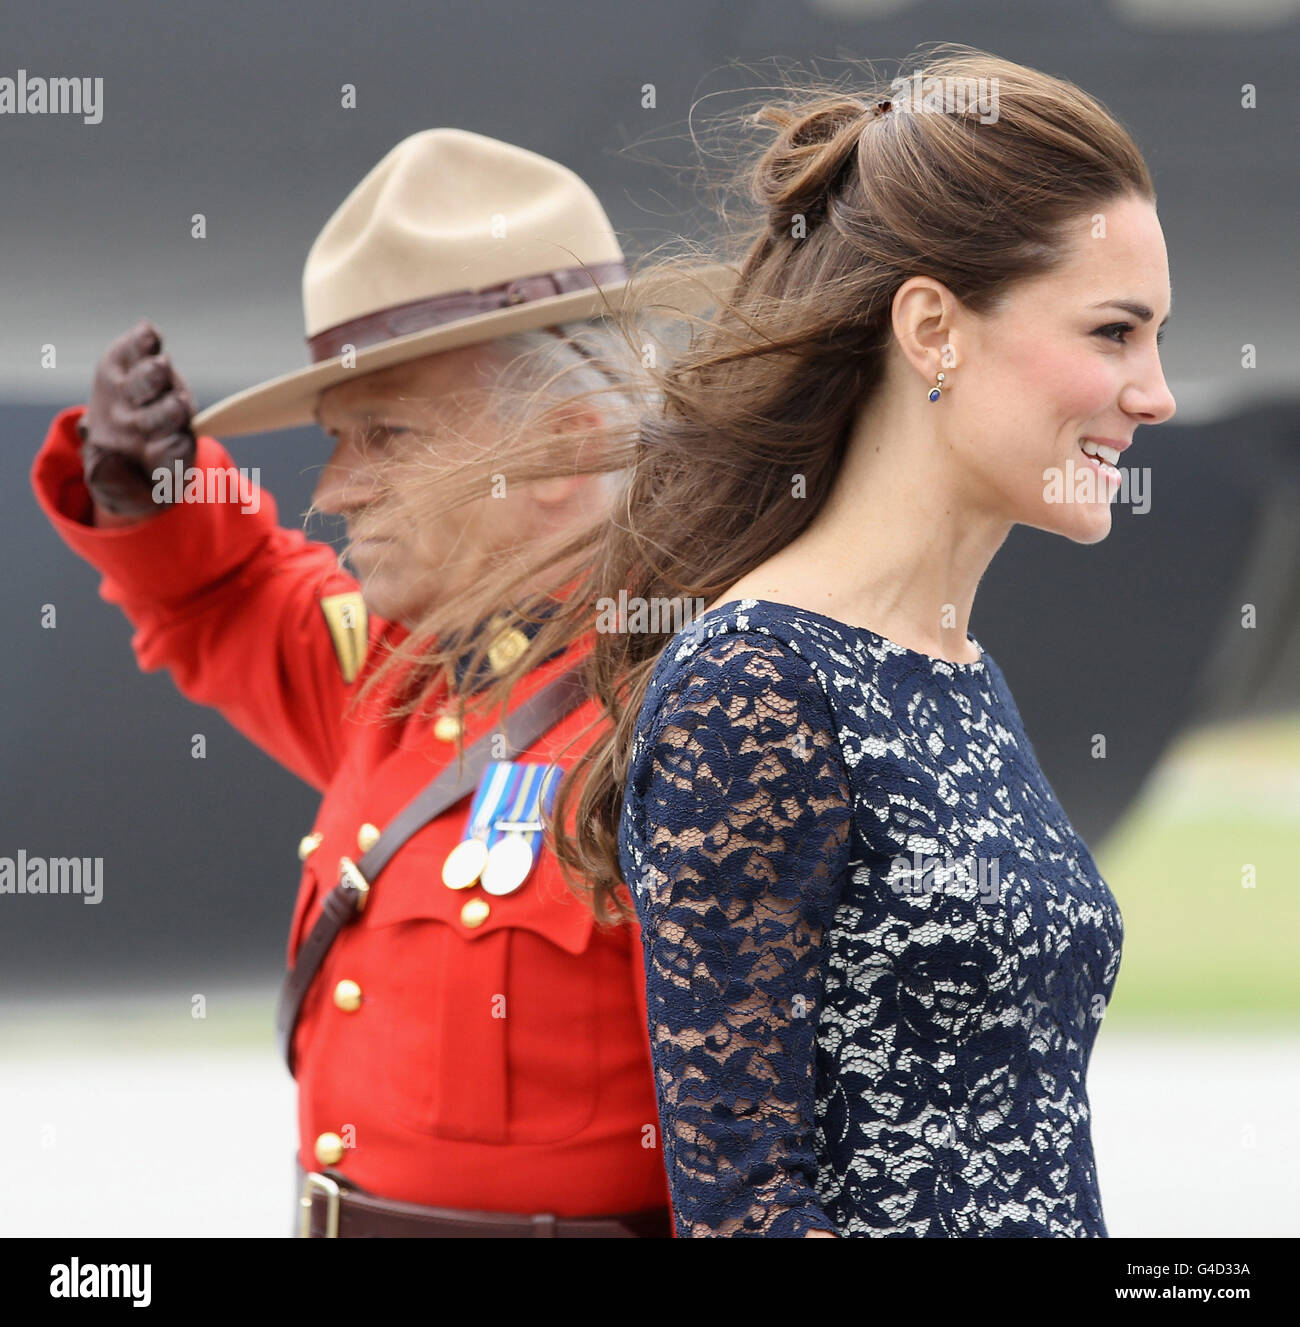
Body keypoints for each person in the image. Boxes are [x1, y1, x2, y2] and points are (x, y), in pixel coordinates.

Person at [384, 48, 1177, 1237]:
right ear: (932, 329)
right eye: (1114, 332)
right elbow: (746, 1208)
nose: (1155, 391)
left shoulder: (954, 669)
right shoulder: (757, 682)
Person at [31, 127, 724, 1237]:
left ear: (562, 449)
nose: (336, 492)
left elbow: (789, 1154)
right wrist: (154, 493)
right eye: (336, 440)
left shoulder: (706, 706)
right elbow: (224, 600)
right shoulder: (415, 674)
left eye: (382, 438)